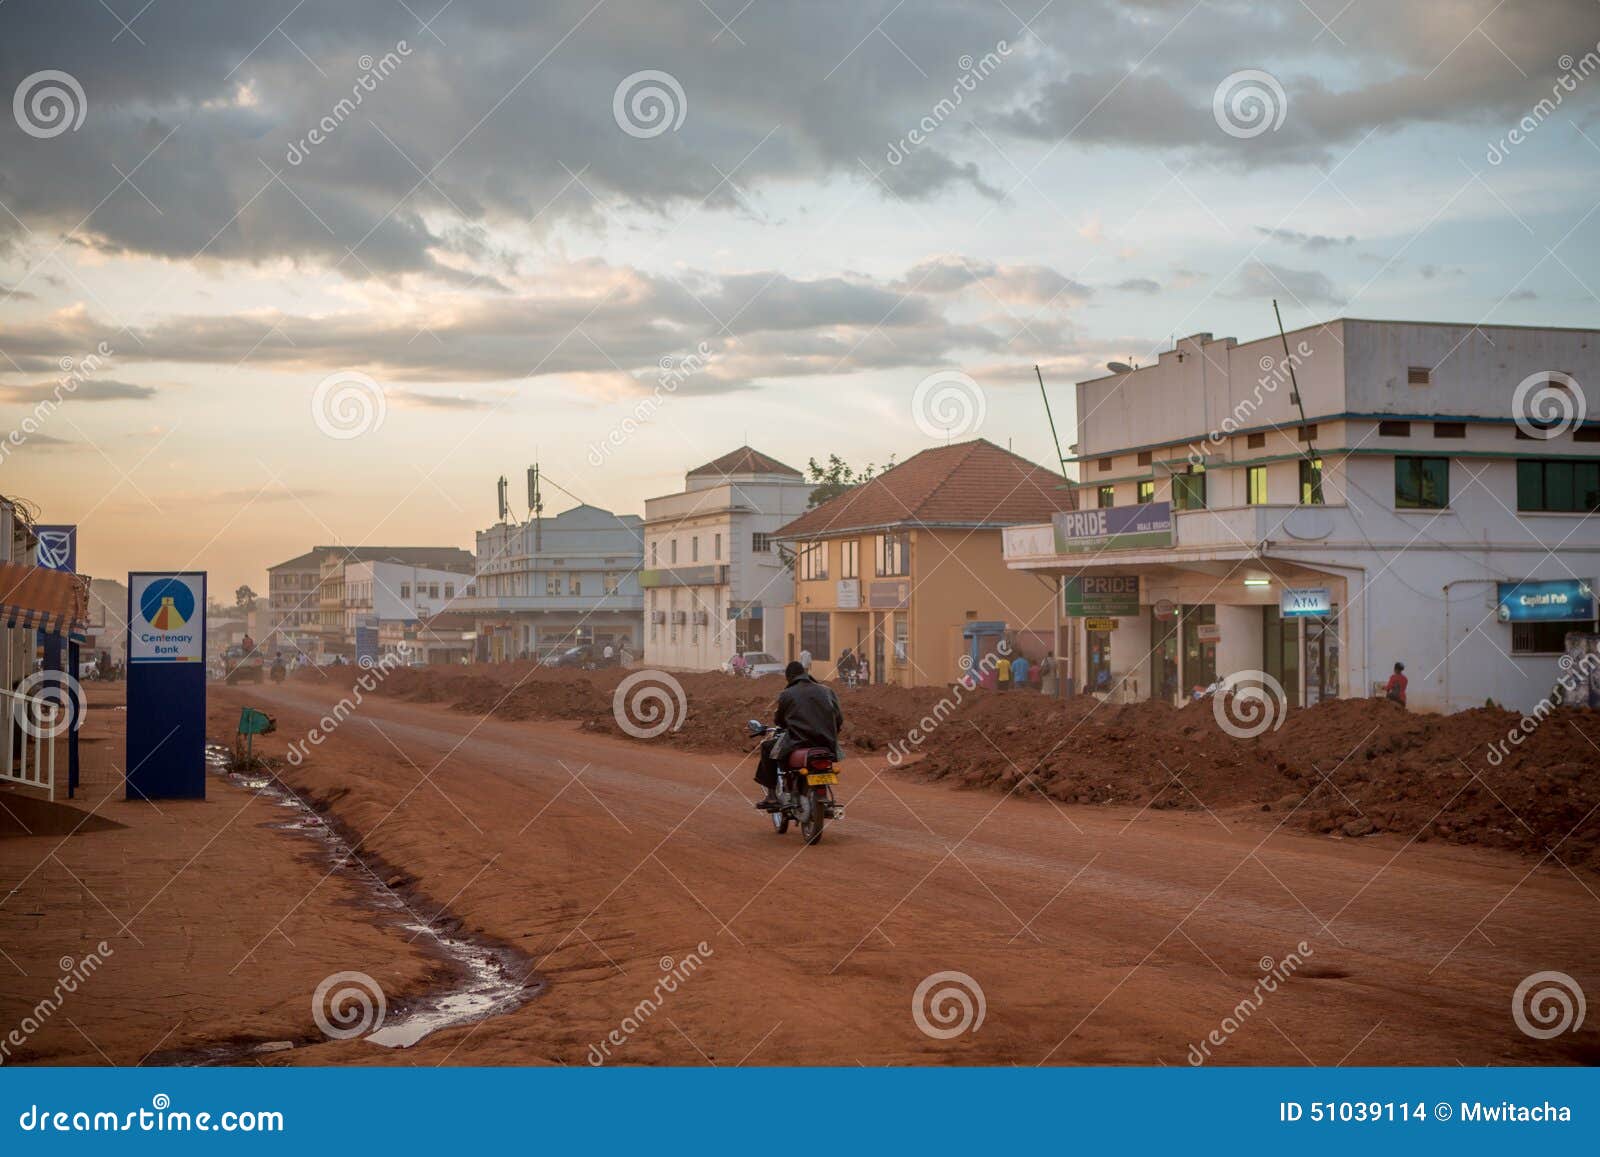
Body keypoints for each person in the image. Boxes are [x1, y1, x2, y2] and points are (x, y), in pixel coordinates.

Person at [754, 660, 844, 811]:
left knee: (766, 747)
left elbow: (780, 721)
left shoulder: (786, 694)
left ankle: (771, 797)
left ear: (789, 677)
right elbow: (839, 719)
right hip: (827, 743)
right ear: (804, 673)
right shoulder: (827, 691)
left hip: (798, 741)